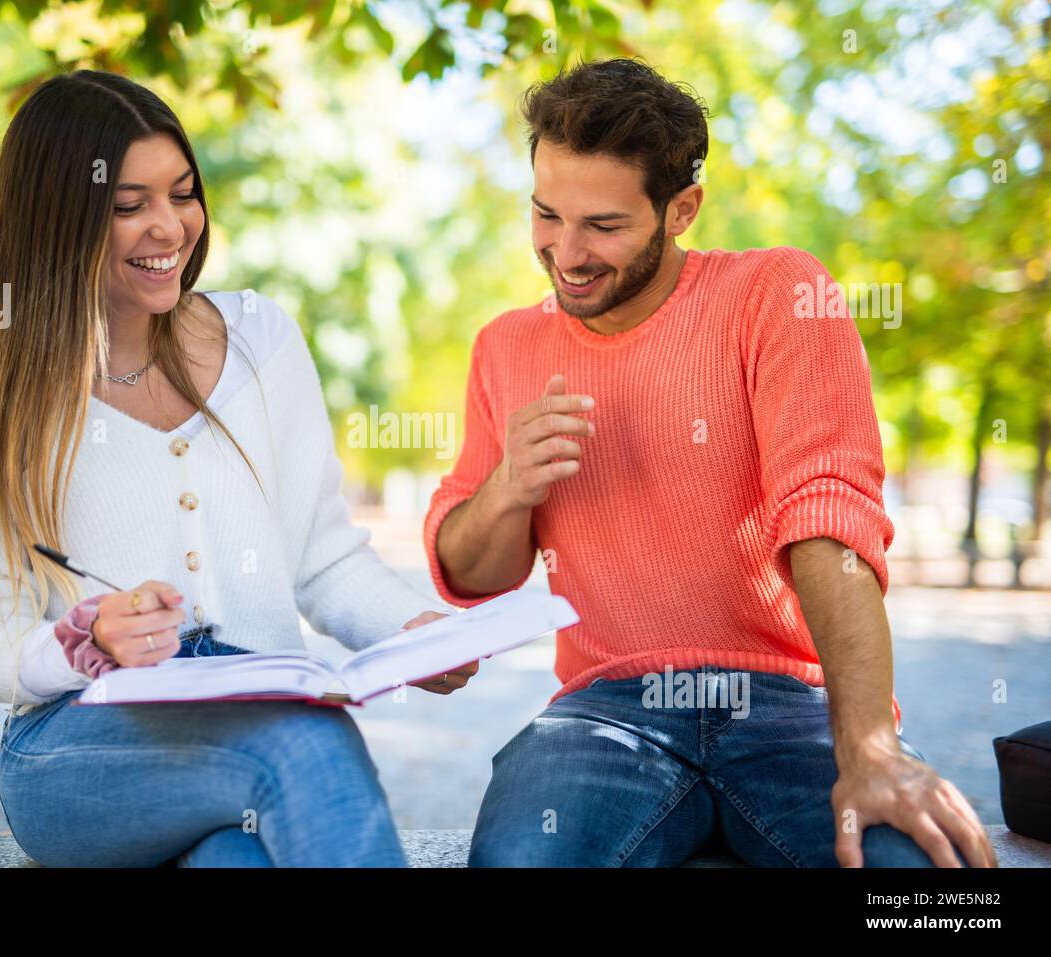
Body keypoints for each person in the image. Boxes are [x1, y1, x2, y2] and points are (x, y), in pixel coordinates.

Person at [425, 58, 995, 868]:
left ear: (681, 209)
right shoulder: (506, 345)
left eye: (605, 225)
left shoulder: (779, 294)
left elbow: (828, 513)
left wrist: (871, 747)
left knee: (920, 882)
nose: (566, 252)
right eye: (547, 214)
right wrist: (508, 488)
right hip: (603, 712)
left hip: (790, 704)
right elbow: (470, 570)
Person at [0, 70, 474, 868]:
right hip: (79, 750)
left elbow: (324, 560)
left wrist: (413, 633)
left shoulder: (261, 341)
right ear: (54, 219)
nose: (170, 227)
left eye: (183, 193)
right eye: (129, 205)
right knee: (306, 740)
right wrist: (86, 636)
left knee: (235, 860)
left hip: (252, 729)